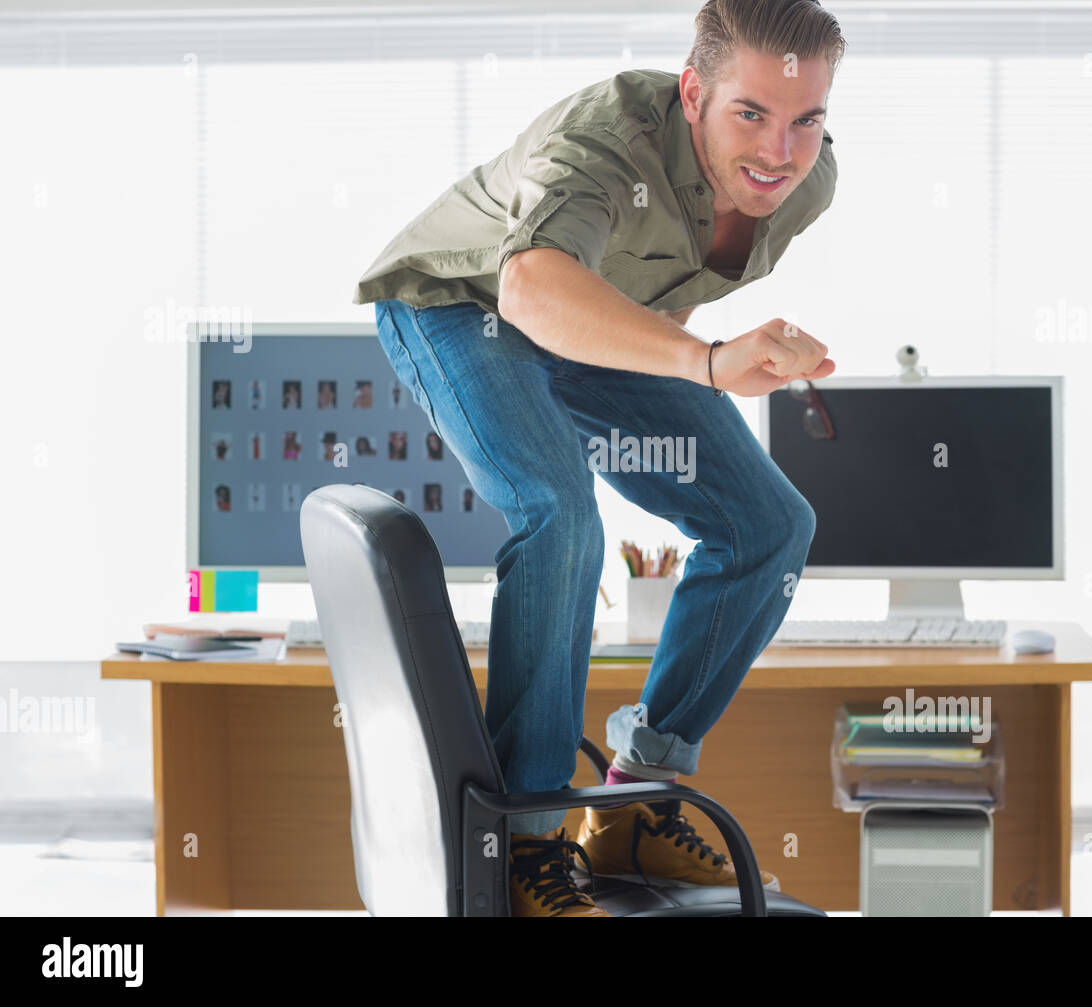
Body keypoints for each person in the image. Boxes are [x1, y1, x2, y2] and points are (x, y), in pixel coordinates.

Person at [354, 0, 843, 917]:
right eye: (751, 114)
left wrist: (696, 359)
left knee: (770, 525)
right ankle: (525, 846)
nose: (781, 151)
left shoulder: (806, 188)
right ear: (694, 92)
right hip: (463, 306)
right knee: (559, 513)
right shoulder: (603, 143)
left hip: (590, 327)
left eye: (806, 119)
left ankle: (634, 799)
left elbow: (661, 283)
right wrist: (706, 366)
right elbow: (533, 285)